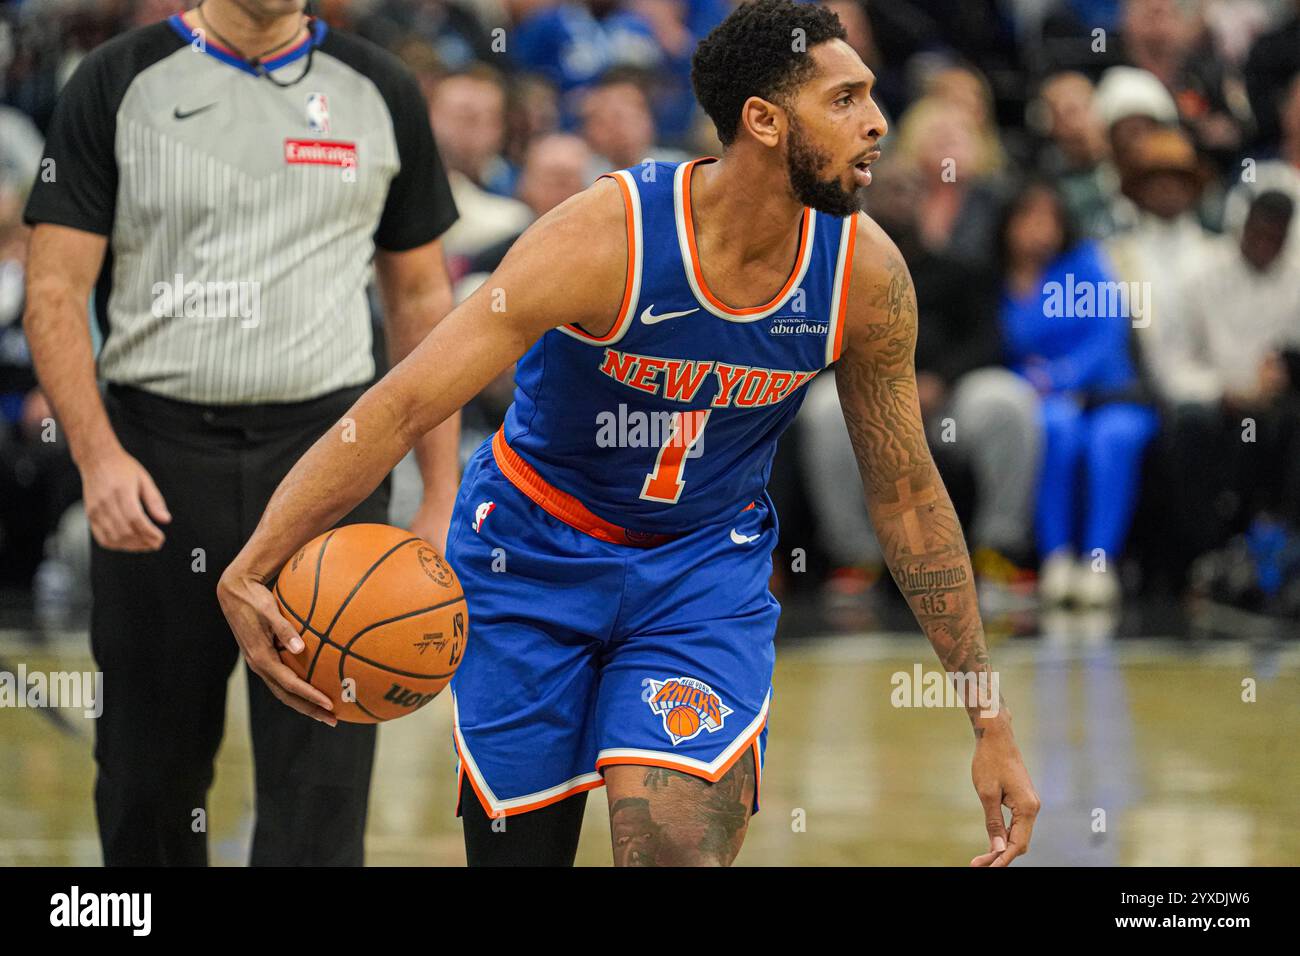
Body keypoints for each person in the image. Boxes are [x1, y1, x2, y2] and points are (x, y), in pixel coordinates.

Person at [218, 0, 1038, 867]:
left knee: (676, 853)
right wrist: (252, 562)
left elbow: (906, 496)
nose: (878, 122)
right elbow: (401, 404)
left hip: (700, 572)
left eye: (872, 95)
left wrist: (989, 716)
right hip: (531, 557)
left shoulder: (865, 274)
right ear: (761, 120)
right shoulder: (605, 238)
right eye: (845, 99)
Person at [22, 0, 460, 865]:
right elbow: (53, 290)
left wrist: (441, 490)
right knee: (150, 770)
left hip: (331, 455)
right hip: (157, 455)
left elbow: (421, 302)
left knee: (324, 767)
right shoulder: (115, 78)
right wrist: (99, 456)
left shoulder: (381, 88)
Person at [997, 180, 1158, 607]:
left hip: (1113, 392)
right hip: (1045, 400)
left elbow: (1108, 334)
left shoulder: (1086, 261)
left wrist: (1062, 374)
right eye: (1028, 217)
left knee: (1111, 438)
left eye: (1049, 218)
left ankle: (1099, 564)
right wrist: (1035, 381)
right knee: (1055, 427)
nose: (1039, 230)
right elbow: (1001, 346)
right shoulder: (997, 277)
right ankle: (1057, 560)